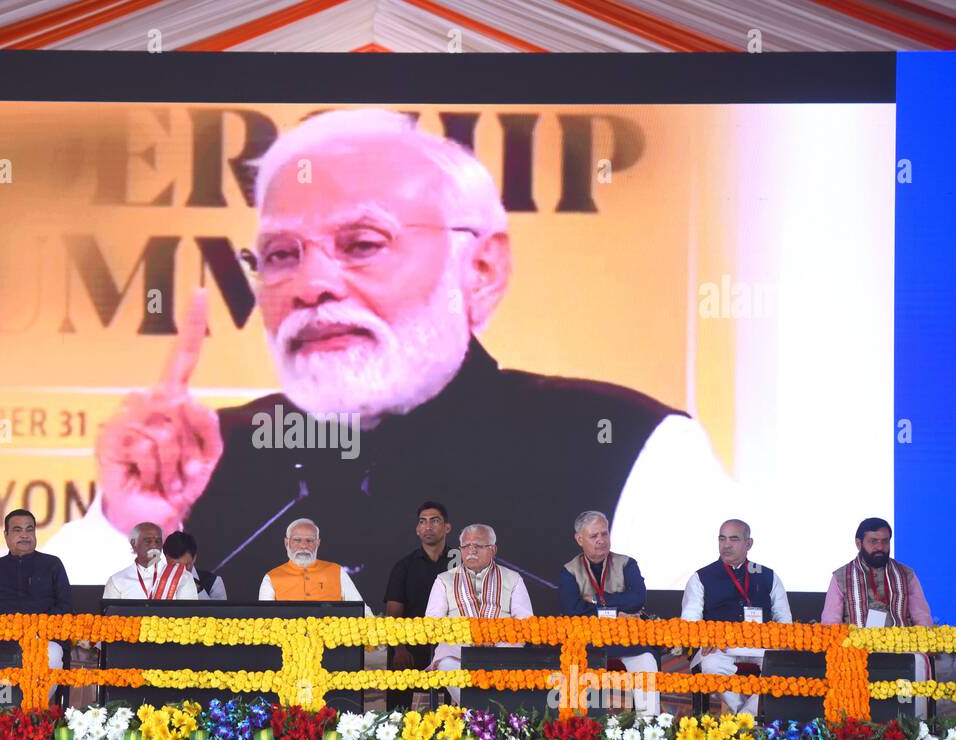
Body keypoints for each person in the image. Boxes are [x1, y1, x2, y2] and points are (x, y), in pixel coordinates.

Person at [52, 108, 739, 601]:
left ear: (481, 268)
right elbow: (53, 637)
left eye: (362, 243)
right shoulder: (201, 458)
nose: (313, 284)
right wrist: (130, 520)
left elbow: (706, 664)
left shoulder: (629, 444)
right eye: (282, 254)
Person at [681, 519, 791, 715]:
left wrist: (780, 642)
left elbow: (784, 619)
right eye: (722, 539)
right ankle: (748, 718)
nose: (726, 545)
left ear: (748, 544)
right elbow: (689, 622)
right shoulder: (701, 577)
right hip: (720, 646)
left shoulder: (768, 576)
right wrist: (705, 638)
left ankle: (742, 719)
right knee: (711, 665)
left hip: (760, 645)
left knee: (782, 668)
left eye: (734, 539)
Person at [821, 517, 932, 712]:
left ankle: (915, 724)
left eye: (885, 541)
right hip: (855, 655)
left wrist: (926, 644)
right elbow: (831, 623)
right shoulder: (841, 577)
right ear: (858, 543)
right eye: (874, 541)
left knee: (919, 664)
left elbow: (922, 617)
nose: (880, 546)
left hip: (900, 652)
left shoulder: (906, 574)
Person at [558, 510, 658, 713]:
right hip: (588, 643)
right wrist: (617, 612)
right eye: (594, 536)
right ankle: (585, 733)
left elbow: (638, 598)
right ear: (579, 539)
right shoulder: (569, 571)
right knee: (573, 668)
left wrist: (595, 601)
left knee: (647, 662)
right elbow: (573, 611)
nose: (601, 540)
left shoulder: (627, 563)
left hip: (628, 640)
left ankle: (650, 732)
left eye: (604, 534)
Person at [427, 524, 534, 704]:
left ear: (493, 549)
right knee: (447, 666)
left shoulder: (513, 578)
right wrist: (468, 636)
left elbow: (526, 620)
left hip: (502, 649)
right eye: (466, 546)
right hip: (458, 650)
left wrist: (496, 635)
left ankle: (485, 717)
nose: (471, 551)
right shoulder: (444, 580)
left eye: (478, 546)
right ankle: (483, 715)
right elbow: (432, 620)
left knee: (512, 662)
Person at [0, 508, 73, 671]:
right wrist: (3, 626)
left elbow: (65, 606)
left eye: (29, 529)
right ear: (6, 535)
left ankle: (36, 698)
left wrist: (37, 627)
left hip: (42, 637)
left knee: (51, 655)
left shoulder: (52, 564)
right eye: (17, 530)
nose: (25, 535)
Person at [384, 500, 457, 709]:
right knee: (399, 701)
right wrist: (399, 649)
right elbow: (393, 614)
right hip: (411, 649)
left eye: (435, 521)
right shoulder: (404, 567)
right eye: (423, 522)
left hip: (450, 645)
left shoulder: (459, 564)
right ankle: (397, 732)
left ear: (447, 527)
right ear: (417, 529)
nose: (428, 526)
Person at [258, 518, 366, 607]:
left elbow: (361, 610)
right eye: (297, 540)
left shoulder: (336, 571)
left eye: (309, 540)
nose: (304, 546)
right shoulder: (272, 577)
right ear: (287, 543)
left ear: (317, 543)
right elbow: (265, 617)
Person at [102, 523, 197, 601]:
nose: (154, 545)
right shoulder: (117, 581)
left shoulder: (182, 576)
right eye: (148, 541)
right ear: (134, 544)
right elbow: (110, 619)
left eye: (158, 541)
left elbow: (189, 617)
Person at [160, 531, 227, 600]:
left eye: (185, 565)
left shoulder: (213, 582)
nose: (181, 570)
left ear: (194, 557)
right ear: (166, 559)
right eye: (174, 566)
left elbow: (218, 610)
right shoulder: (155, 581)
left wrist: (196, 588)